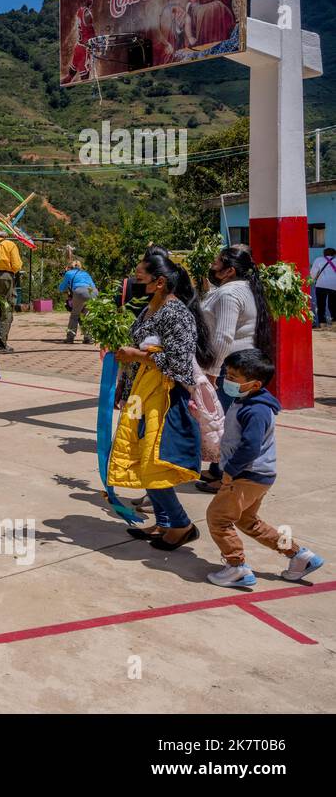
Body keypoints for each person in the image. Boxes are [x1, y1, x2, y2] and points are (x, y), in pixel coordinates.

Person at [111, 252, 212, 551]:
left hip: (164, 398)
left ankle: (181, 524)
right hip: (140, 394)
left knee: (155, 461)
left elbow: (180, 363)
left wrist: (137, 355)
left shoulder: (176, 313)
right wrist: (124, 385)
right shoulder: (149, 309)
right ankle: (165, 522)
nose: (134, 278)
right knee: (141, 455)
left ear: (160, 282)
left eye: (140, 274)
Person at [205, 349, 324, 588]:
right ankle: (299, 556)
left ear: (255, 384)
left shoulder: (255, 410)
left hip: (246, 475)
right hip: (259, 476)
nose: (227, 380)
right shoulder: (247, 400)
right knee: (249, 522)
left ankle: (236, 566)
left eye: (233, 377)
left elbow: (250, 446)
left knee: (218, 518)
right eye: (227, 374)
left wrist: (230, 471)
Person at [197, 244, 274, 493]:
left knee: (224, 422)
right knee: (227, 419)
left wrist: (212, 370)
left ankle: (225, 474)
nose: (212, 265)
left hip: (228, 367)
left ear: (229, 270)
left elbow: (223, 337)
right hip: (238, 365)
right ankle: (219, 468)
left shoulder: (230, 293)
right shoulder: (244, 289)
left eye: (217, 262)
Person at [58, 260, 97, 344]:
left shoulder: (69, 273)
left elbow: (61, 288)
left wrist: (65, 277)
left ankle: (70, 337)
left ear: (70, 267)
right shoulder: (85, 273)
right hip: (93, 292)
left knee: (75, 315)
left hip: (80, 292)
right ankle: (89, 338)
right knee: (87, 315)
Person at [310, 247, 336, 327]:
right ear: (334, 254)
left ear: (324, 254)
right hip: (334, 285)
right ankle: (335, 324)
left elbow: (313, 273)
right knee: (333, 305)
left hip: (321, 285)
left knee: (321, 305)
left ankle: (322, 324)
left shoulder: (318, 260)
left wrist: (312, 280)